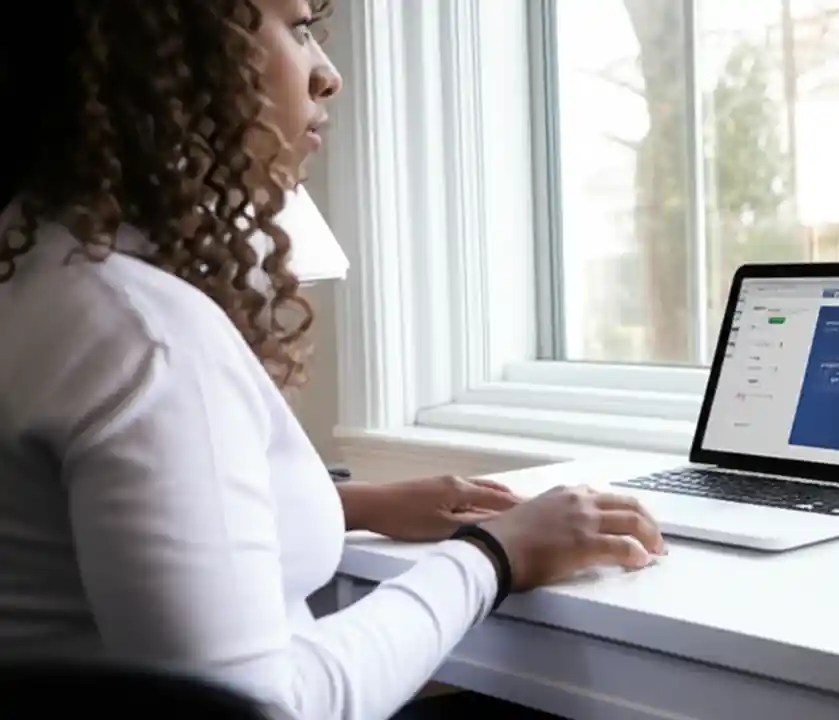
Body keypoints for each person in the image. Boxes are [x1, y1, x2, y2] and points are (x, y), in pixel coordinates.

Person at [0, 2, 665, 719]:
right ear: (171, 58)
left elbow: (82, 534)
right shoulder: (142, 336)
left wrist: (353, 505)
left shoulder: (38, 270)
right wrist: (496, 555)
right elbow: (266, 707)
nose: (328, 75)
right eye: (297, 28)